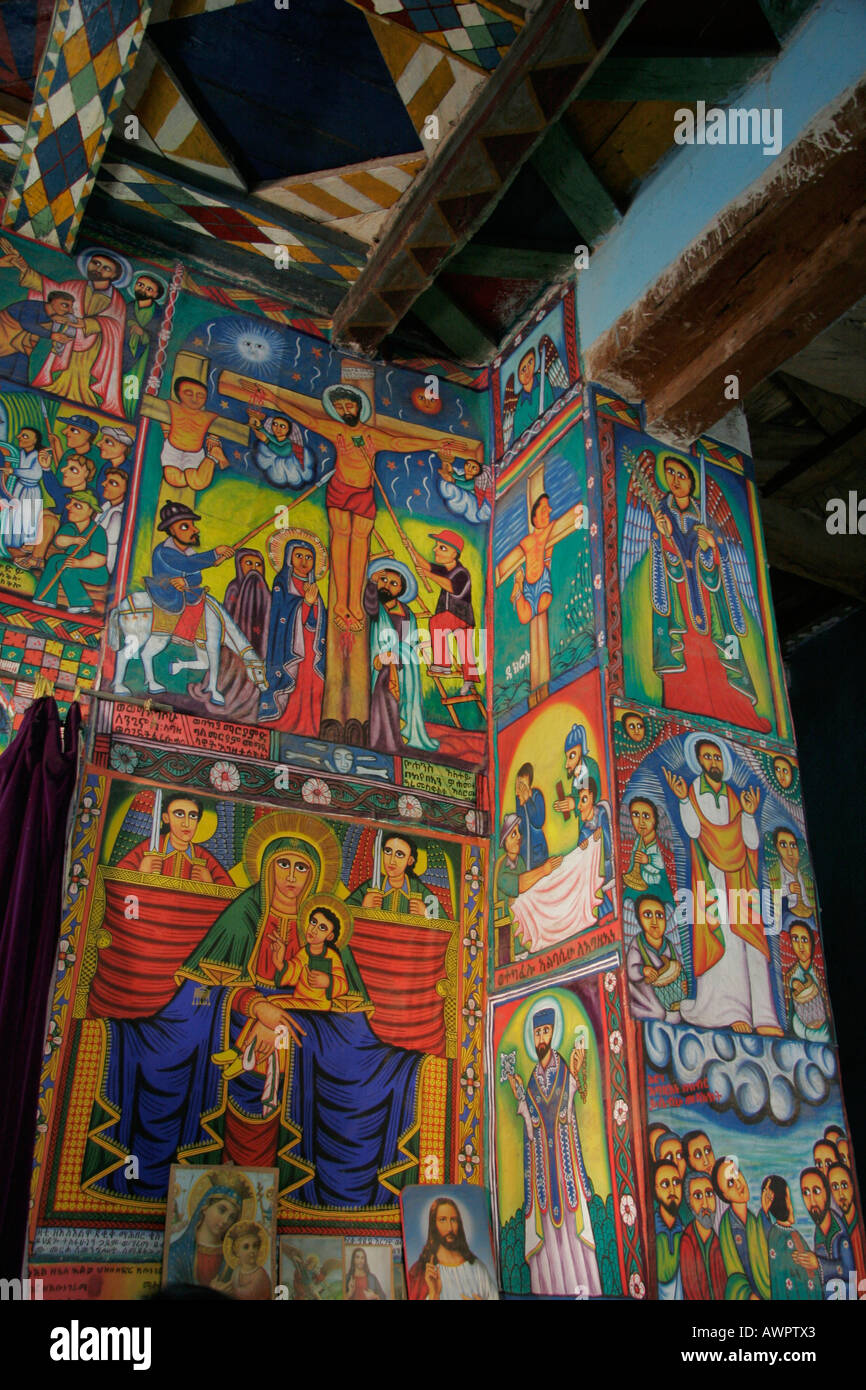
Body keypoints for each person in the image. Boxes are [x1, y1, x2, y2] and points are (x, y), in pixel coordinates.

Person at [82, 813, 423, 1210]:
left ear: (314, 877)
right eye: (283, 864)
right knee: (183, 1042)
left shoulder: (321, 925)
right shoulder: (243, 914)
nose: (291, 876)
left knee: (368, 1062)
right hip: (240, 1015)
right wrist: (257, 1006)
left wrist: (283, 1014)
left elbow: (347, 1009)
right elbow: (204, 989)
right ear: (266, 866)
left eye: (301, 867)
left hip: (299, 1021)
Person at [625, 450, 770, 731]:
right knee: (685, 650)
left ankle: (734, 712)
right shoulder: (663, 514)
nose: (675, 479)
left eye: (681, 475)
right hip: (678, 599)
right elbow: (666, 562)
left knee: (716, 652)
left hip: (708, 600)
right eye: (670, 474)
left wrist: (711, 549)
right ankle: (683, 708)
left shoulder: (704, 519)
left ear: (692, 482)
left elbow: (719, 566)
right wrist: (664, 537)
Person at [665, 739, 781, 1034]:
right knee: (726, 941)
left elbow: (751, 842)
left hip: (740, 880)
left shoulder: (733, 796)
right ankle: (730, 1010)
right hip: (714, 878)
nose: (714, 762)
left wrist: (749, 813)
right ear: (700, 762)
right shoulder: (695, 792)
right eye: (708, 757)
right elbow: (693, 832)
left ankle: (764, 1016)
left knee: (753, 944)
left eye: (717, 757)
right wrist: (682, 800)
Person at [506, 1009, 601, 1297]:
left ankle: (584, 1288)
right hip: (543, 1177)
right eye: (537, 1034)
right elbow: (532, 1121)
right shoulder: (533, 1082)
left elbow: (575, 1099)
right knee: (547, 1234)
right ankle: (551, 1289)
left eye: (545, 1032)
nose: (541, 1039)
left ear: (553, 1032)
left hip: (565, 1168)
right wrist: (519, 1094)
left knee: (572, 1231)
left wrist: (579, 1067)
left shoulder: (565, 1072)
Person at [0, 240, 129, 415]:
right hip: (68, 341)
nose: (98, 269)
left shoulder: (117, 300)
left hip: (94, 347)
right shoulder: (75, 285)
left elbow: (115, 324)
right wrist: (24, 268)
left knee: (83, 378)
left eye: (106, 268)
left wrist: (87, 323)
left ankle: (83, 399)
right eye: (95, 263)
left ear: (114, 275)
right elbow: (50, 289)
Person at [364, 558, 438, 754]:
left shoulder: (406, 614)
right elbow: (369, 607)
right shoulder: (375, 607)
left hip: (398, 665)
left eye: (393, 583)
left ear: (401, 590)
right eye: (383, 580)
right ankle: (380, 741)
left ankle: (392, 741)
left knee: (392, 702)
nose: (387, 585)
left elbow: (409, 643)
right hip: (378, 663)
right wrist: (371, 584)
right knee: (380, 700)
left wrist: (395, 657)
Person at [259, 534, 327, 734]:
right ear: (289, 557)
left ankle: (308, 728)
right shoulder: (281, 584)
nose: (304, 561)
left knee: (311, 688)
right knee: (291, 684)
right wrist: (305, 603)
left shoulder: (314, 587)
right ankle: (283, 721)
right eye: (299, 556)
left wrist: (313, 604)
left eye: (308, 557)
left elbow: (319, 618)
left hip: (310, 646)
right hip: (289, 647)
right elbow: (279, 615)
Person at [144, 501, 234, 649]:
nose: (195, 530)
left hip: (181, 590)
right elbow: (187, 564)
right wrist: (214, 553)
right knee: (198, 598)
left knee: (202, 596)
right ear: (172, 531)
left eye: (193, 525)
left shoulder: (189, 552)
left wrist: (185, 581)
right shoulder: (165, 551)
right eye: (185, 527)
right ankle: (183, 635)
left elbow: (196, 576)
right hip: (165, 592)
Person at [415, 529, 479, 696]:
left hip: (459, 616)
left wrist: (429, 575)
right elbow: (426, 565)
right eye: (437, 546)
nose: (435, 549)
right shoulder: (444, 569)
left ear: (454, 554)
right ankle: (469, 680)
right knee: (466, 649)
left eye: (442, 548)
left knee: (437, 622)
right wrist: (411, 550)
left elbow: (452, 587)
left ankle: (443, 664)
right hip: (460, 618)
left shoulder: (462, 573)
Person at [117, 794, 233, 884]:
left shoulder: (203, 857)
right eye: (179, 814)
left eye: (193, 816)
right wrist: (141, 873)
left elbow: (233, 900)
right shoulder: (149, 848)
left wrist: (208, 883)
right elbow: (115, 880)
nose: (186, 823)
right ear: (166, 818)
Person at [492, 815, 562, 961]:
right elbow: (519, 884)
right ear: (505, 841)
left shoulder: (520, 862)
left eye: (518, 832)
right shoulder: (501, 869)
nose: (519, 837)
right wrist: (544, 870)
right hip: (508, 925)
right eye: (513, 834)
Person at [165, 1173, 250, 1288]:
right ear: (205, 1207)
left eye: (232, 1217)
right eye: (222, 1210)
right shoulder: (177, 1252)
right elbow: (171, 1294)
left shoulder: (233, 1258)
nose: (225, 1220)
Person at [407, 1198, 497, 1300]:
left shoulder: (477, 1268)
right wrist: (434, 1294)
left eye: (453, 1220)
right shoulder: (423, 1272)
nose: (450, 1228)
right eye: (443, 1220)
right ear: (433, 1225)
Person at [33, 491, 108, 611]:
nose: (69, 508)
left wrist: (79, 563)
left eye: (77, 506)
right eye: (71, 504)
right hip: (71, 562)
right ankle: (46, 598)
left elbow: (99, 559)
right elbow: (59, 541)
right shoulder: (70, 527)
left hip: (94, 572)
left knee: (67, 568)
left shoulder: (97, 532)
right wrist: (74, 540)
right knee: (54, 560)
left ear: (90, 512)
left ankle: (81, 604)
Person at [157, 376, 230, 491]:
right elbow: (160, 412)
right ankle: (213, 456)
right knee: (174, 480)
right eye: (189, 393)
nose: (195, 398)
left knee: (199, 483)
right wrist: (166, 432)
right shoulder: (172, 406)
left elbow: (220, 425)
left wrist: (214, 437)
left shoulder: (208, 416)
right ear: (178, 393)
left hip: (194, 453)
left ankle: (213, 456)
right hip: (172, 448)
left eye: (200, 395)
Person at [712, 1157, 770, 1300]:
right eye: (730, 1183)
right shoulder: (727, 1226)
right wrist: (748, 1295)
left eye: (737, 1174)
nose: (738, 1184)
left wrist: (765, 1212)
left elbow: (767, 1257)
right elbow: (733, 1275)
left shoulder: (752, 1221)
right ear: (724, 1195)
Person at [626, 894, 687, 1022]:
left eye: (659, 915)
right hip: (645, 992)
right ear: (639, 920)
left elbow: (679, 968)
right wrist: (643, 970)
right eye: (648, 915)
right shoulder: (638, 943)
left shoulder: (669, 944)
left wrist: (684, 983)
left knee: (681, 1013)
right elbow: (631, 970)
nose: (654, 921)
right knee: (658, 1013)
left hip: (669, 993)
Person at [761, 1175, 822, 1301]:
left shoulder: (773, 1234)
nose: (792, 1204)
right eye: (789, 1198)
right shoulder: (791, 1236)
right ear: (783, 1202)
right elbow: (808, 1281)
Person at [347, 832, 436, 917]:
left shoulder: (420, 890)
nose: (391, 861)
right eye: (388, 851)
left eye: (399, 854)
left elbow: (446, 926)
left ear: (410, 861)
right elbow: (341, 913)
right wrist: (363, 909)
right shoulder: (370, 886)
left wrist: (425, 914)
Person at [0, 288, 76, 384]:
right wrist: (52, 335)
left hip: (18, 344)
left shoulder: (49, 315)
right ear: (53, 302)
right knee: (5, 368)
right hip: (4, 337)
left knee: (19, 373)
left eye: (70, 307)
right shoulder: (31, 307)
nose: (70, 311)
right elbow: (27, 324)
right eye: (65, 305)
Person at [799, 1167, 855, 1295]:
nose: (812, 1201)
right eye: (806, 1193)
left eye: (816, 1191)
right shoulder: (818, 1232)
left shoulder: (839, 1232)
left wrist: (818, 1264)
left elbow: (850, 1271)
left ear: (827, 1192)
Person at [679, 1170, 726, 1300]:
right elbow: (691, 1291)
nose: (705, 1204)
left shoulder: (717, 1241)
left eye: (709, 1194)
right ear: (690, 1203)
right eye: (698, 1196)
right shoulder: (687, 1241)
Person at [122, 272, 165, 403]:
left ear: (155, 295)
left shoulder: (158, 314)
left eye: (149, 289)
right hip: (122, 350)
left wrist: (143, 333)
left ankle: (127, 408)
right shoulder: (128, 307)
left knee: (131, 387)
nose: (143, 290)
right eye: (140, 285)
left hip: (142, 356)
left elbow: (157, 338)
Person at [783, 922, 831, 1041]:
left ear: (812, 942)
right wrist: (792, 984)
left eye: (804, 940)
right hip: (800, 1027)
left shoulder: (818, 973)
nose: (800, 946)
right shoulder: (790, 975)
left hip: (822, 1028)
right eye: (795, 939)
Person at [622, 797, 674, 904]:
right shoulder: (637, 842)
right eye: (635, 815)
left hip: (658, 887)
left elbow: (662, 863)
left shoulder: (659, 843)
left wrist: (648, 859)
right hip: (638, 886)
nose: (641, 822)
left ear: (655, 819)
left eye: (646, 816)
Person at [248, 409, 314, 488]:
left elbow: (282, 451)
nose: (277, 428)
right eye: (275, 424)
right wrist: (259, 427)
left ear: (288, 429)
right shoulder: (277, 438)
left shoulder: (288, 443)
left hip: (289, 465)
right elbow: (272, 438)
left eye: (282, 426)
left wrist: (266, 441)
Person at [575, 779, 613, 913]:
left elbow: (608, 852)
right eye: (579, 802)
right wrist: (584, 848)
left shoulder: (602, 813)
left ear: (592, 798)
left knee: (589, 885)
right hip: (591, 873)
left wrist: (600, 837)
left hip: (607, 869)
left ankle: (605, 912)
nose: (580, 806)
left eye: (583, 800)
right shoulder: (584, 831)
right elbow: (581, 863)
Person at [553, 723, 600, 816]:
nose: (567, 765)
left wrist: (574, 803)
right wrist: (569, 801)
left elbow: (594, 796)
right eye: (568, 757)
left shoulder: (590, 768)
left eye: (572, 756)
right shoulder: (578, 772)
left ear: (581, 750)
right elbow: (580, 792)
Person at [771, 827, 816, 924]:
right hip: (789, 915)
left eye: (793, 845)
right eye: (783, 845)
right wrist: (788, 889)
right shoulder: (776, 870)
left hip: (808, 915)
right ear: (777, 848)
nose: (790, 852)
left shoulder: (803, 870)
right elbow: (771, 895)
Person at [654, 1160, 684, 1299]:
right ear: (656, 1189)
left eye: (676, 1183)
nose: (672, 1190)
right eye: (665, 1184)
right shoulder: (650, 1233)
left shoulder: (685, 1233)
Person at [827, 1162, 865, 1274]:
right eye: (835, 1187)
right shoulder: (836, 1231)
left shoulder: (859, 1224)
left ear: (853, 1185)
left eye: (844, 1185)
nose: (841, 1194)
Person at [514, 762, 548, 869]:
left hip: (538, 851)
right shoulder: (519, 800)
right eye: (518, 785)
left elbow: (538, 821)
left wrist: (528, 800)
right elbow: (520, 826)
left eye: (523, 785)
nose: (520, 790)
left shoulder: (536, 796)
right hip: (525, 850)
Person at [226, 1222, 272, 1300]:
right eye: (246, 1247)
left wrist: (230, 1291)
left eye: (255, 1246)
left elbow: (249, 1294)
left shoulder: (260, 1274)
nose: (252, 1251)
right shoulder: (237, 1271)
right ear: (237, 1252)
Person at [96, 467, 128, 574]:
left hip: (104, 562)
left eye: (113, 483)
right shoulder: (106, 506)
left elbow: (107, 539)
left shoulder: (118, 514)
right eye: (106, 480)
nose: (104, 484)